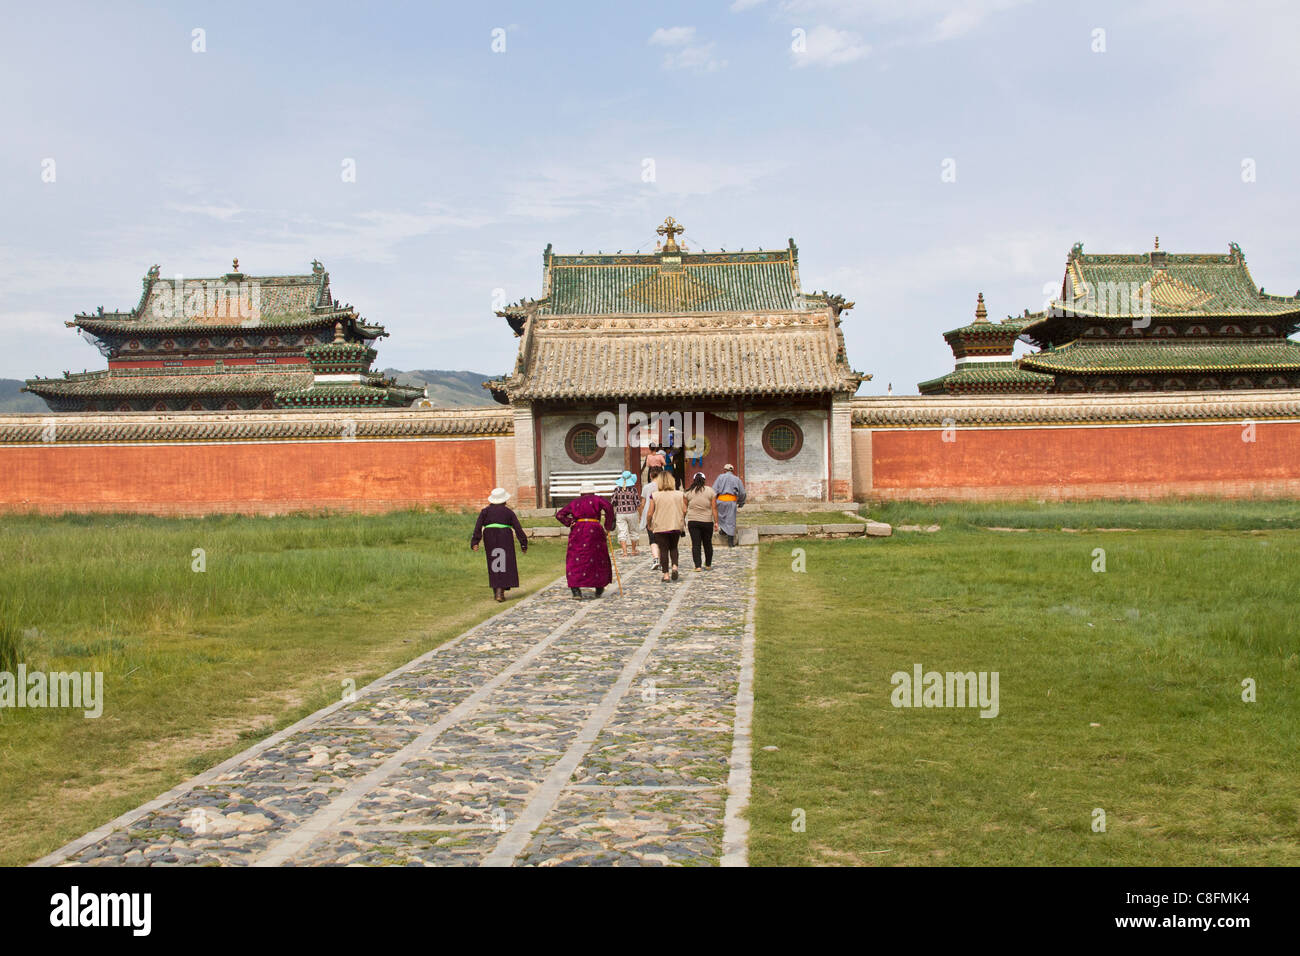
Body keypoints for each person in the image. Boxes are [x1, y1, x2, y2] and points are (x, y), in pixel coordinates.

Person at [555, 480, 615, 599]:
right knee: (598, 557)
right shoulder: (598, 499)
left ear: (581, 493)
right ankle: (599, 587)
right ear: (593, 491)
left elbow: (559, 514)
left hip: (578, 531)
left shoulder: (575, 502)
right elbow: (609, 507)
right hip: (595, 531)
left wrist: (570, 522)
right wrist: (608, 526)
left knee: (576, 558)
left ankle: (576, 589)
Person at [470, 487, 528, 602]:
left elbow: (478, 527)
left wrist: (475, 542)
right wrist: (523, 543)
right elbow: (518, 528)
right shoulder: (508, 512)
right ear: (504, 500)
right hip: (504, 536)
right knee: (503, 562)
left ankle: (497, 590)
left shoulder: (485, 511)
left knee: (495, 562)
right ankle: (500, 592)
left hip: (489, 537)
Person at [645, 470, 687, 583]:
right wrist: (680, 517)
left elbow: (649, 513)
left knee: (663, 550)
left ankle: (666, 575)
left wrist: (649, 524)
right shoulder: (679, 494)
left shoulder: (654, 495)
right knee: (674, 547)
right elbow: (684, 510)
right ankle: (674, 567)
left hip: (660, 526)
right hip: (675, 525)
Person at [683, 471, 718, 571]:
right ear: (704, 480)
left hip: (693, 521)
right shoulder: (710, 491)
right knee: (707, 543)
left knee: (696, 544)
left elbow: (684, 508)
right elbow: (714, 507)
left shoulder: (688, 492)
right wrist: (716, 522)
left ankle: (697, 566)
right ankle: (708, 564)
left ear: (694, 480)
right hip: (707, 521)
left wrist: (683, 520)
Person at [713, 463, 747, 547]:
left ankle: (723, 531)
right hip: (731, 501)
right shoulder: (737, 479)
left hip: (720, 500)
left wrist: (712, 501)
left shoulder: (720, 477)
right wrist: (741, 502)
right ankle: (730, 542)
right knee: (730, 520)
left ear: (724, 470)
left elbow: (714, 490)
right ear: (732, 470)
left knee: (721, 517)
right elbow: (742, 493)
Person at [609, 470, 641, 558]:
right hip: (632, 512)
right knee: (633, 531)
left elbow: (612, 502)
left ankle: (625, 552)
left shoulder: (617, 489)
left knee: (622, 532)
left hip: (620, 513)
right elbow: (637, 502)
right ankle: (633, 550)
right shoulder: (633, 489)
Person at [640, 465, 662, 569]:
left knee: (652, 540)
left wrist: (641, 516)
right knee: (662, 539)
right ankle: (662, 560)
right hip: (661, 514)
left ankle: (656, 559)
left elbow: (643, 503)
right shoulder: (664, 487)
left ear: (650, 475)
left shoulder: (646, 487)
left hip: (649, 515)